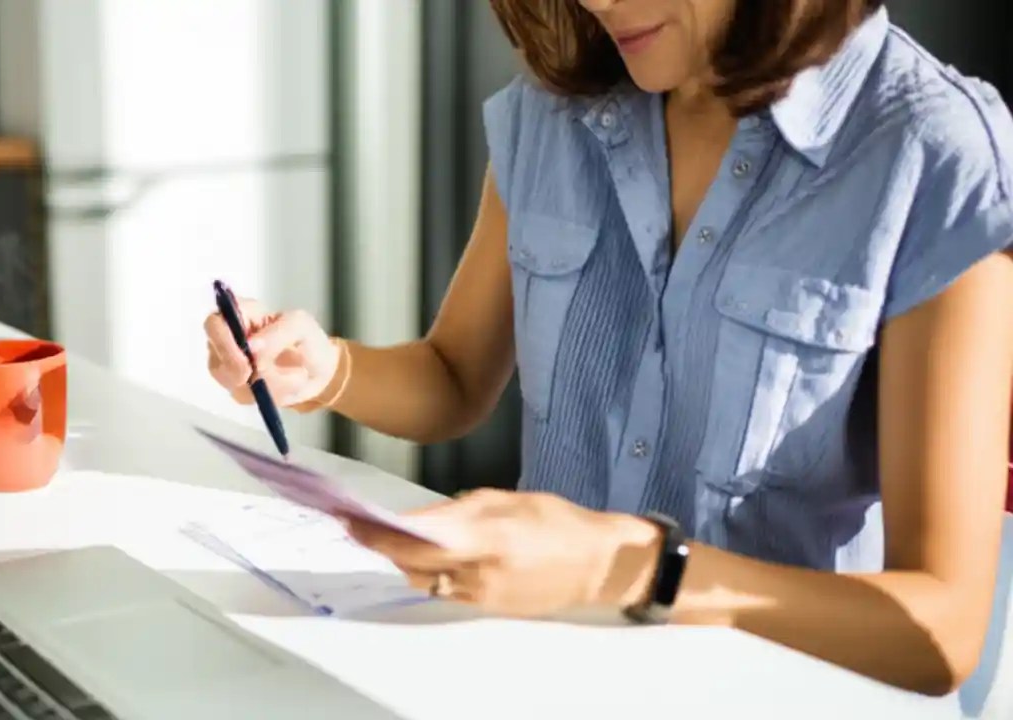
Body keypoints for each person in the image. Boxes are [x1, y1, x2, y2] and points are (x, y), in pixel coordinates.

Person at [204, 0, 1013, 697]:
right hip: (543, 681)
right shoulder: (555, 114)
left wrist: (632, 569)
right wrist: (326, 367)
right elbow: (451, 378)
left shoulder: (931, 150)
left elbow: (939, 632)